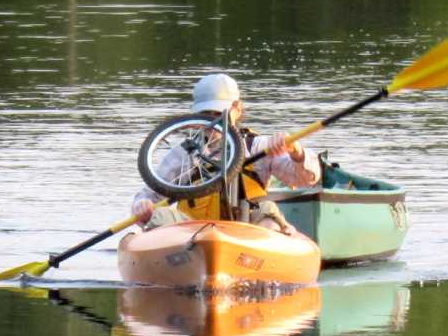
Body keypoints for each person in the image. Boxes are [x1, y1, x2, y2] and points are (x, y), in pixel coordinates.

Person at [132, 72, 320, 233]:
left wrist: (295, 151)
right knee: (161, 215)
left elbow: (306, 179)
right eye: (205, 114)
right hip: (192, 235)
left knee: (267, 210)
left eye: (218, 113)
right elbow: (149, 195)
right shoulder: (182, 155)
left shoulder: (258, 146)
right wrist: (142, 206)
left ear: (237, 109)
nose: (213, 121)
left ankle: (261, 260)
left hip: (247, 230)